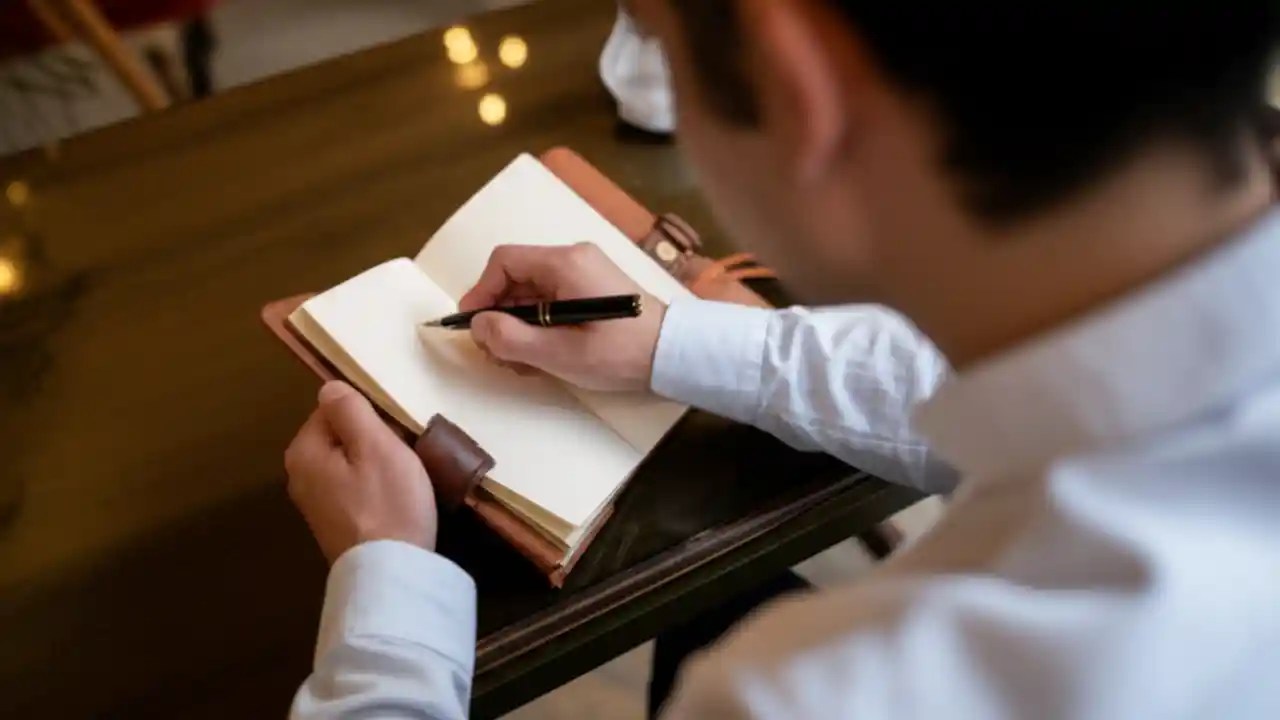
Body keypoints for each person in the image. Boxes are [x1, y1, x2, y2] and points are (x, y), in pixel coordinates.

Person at [284, 1, 1280, 718]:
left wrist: (388, 601)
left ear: (796, 87)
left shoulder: (827, 693)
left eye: (660, 48)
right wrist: (673, 340)